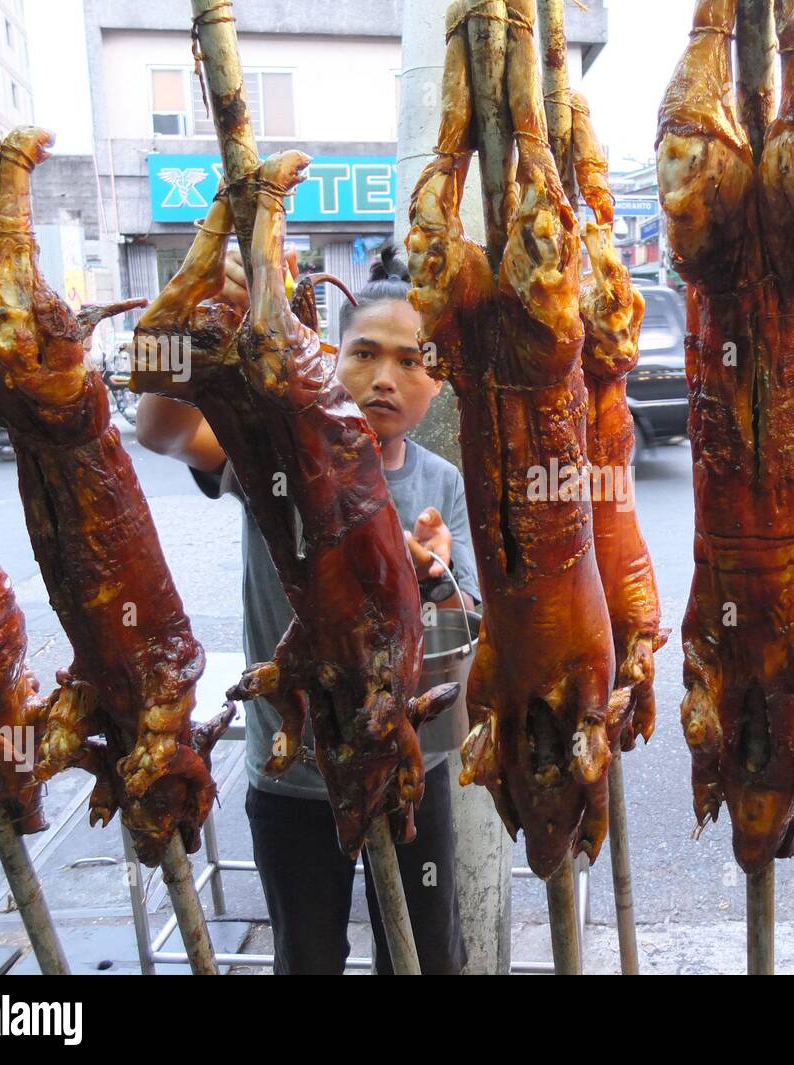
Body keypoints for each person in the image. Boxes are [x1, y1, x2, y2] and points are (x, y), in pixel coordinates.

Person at [136, 244, 478, 975]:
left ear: (436, 380)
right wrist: (195, 296)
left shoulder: (441, 480)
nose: (386, 378)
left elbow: (470, 609)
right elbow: (158, 429)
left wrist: (437, 573)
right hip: (294, 774)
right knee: (308, 954)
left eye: (411, 361)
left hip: (409, 764)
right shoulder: (276, 457)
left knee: (424, 956)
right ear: (333, 355)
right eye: (365, 354)